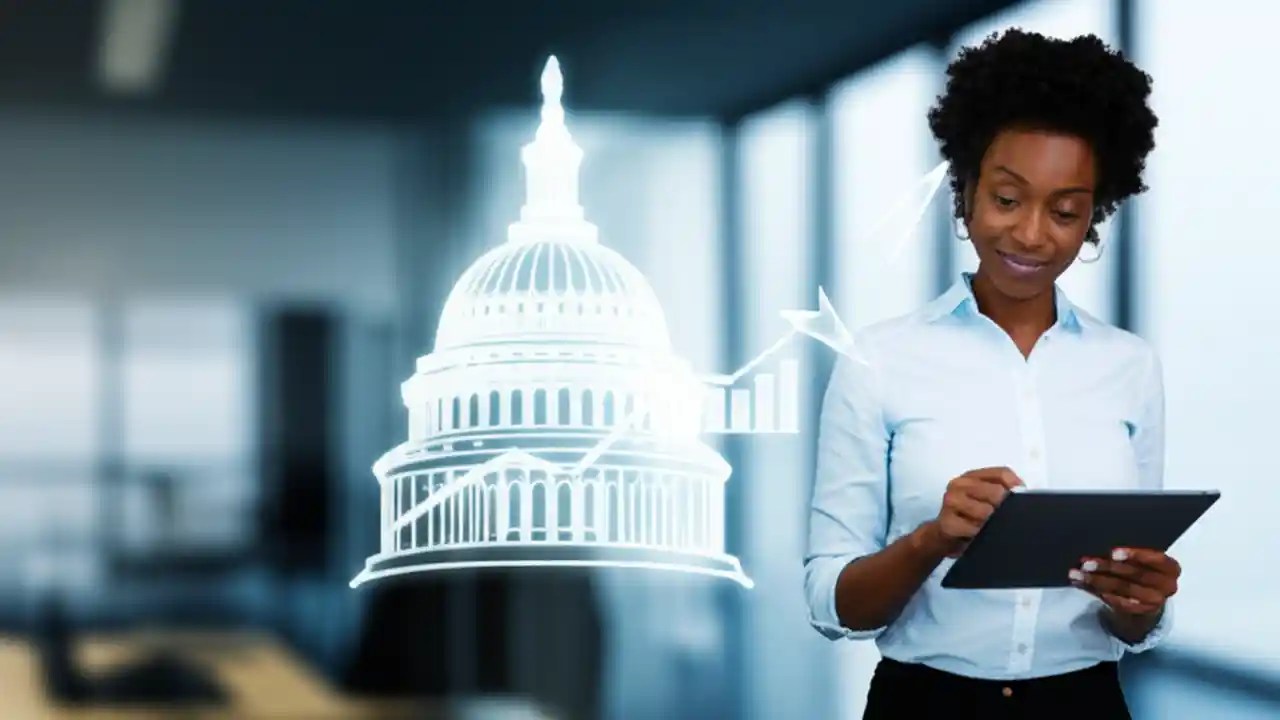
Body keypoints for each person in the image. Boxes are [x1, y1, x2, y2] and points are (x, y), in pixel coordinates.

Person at [803, 28, 1173, 719]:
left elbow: (1131, 624)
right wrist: (930, 540)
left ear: (1094, 216)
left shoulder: (1130, 366)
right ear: (964, 191)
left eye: (1065, 211)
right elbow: (833, 604)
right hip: (925, 705)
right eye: (1007, 199)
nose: (1033, 234)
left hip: (1086, 705)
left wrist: (1141, 606)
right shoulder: (880, 361)